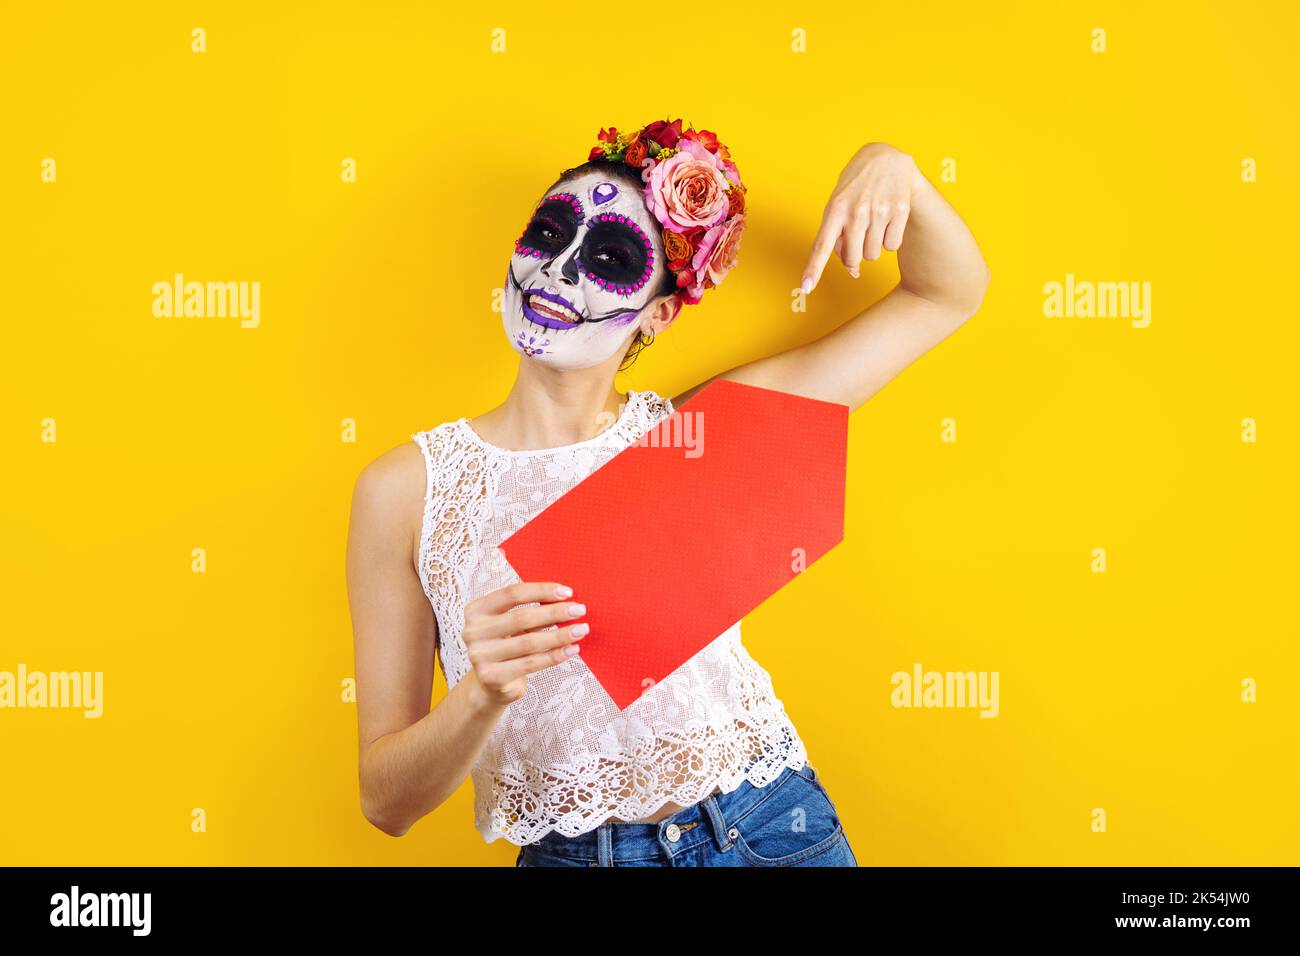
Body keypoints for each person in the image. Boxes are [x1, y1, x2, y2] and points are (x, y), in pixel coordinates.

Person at [346, 118, 989, 866]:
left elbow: (947, 293)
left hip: (769, 830)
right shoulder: (405, 490)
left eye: (610, 257)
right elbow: (384, 803)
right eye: (548, 234)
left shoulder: (698, 435)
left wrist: (894, 167)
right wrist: (480, 694)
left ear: (658, 313)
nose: (557, 271)